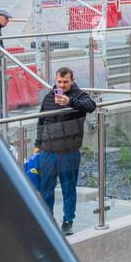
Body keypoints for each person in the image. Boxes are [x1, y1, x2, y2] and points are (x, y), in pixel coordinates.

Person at [36, 67, 97, 236]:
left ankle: (68, 221)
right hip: (48, 151)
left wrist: (69, 102)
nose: (61, 85)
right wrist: (37, 145)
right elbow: (41, 121)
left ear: (72, 80)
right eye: (59, 82)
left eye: (65, 82)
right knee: (46, 188)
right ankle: (49, 220)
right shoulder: (49, 97)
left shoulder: (79, 96)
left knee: (68, 188)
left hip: (69, 152)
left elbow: (91, 106)